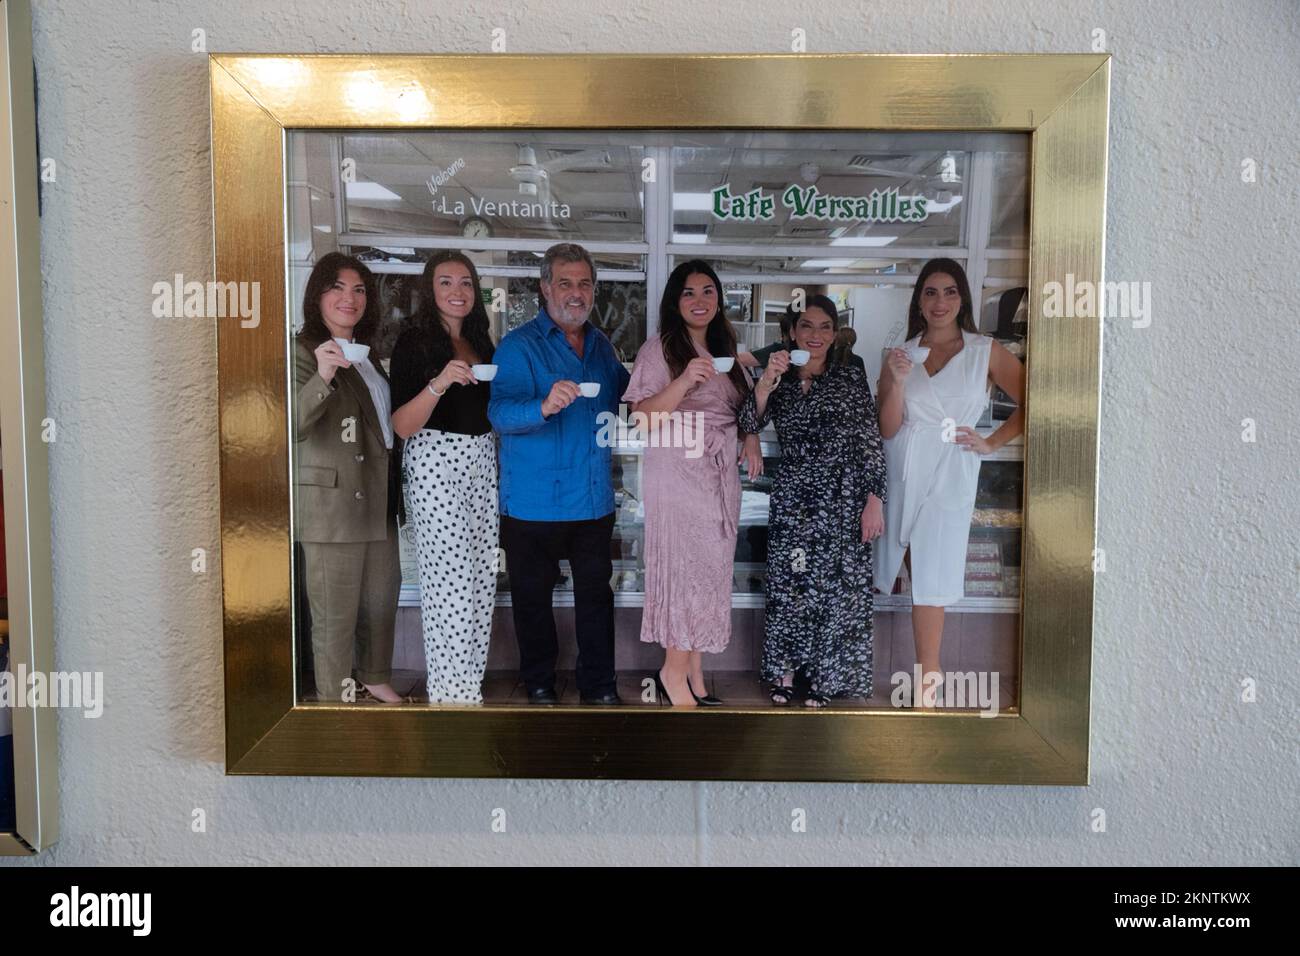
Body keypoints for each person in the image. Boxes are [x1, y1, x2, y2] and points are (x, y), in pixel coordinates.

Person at [873, 258, 1025, 708]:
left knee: (933, 573)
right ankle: (916, 677)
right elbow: (887, 427)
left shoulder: (985, 350)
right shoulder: (900, 354)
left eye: (950, 292)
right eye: (931, 292)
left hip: (951, 469)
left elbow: (1039, 399)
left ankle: (928, 681)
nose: (940, 302)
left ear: (963, 299)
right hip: (903, 465)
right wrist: (898, 382)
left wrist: (992, 442)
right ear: (918, 300)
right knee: (911, 567)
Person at [488, 243, 630, 705]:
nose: (575, 293)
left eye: (584, 284)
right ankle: (540, 682)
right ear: (546, 288)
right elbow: (500, 414)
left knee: (596, 600)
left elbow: (627, 398)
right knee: (533, 602)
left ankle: (600, 685)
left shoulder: (602, 346)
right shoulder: (518, 346)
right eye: (565, 283)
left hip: (591, 499)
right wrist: (544, 405)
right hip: (532, 503)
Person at [623, 260, 763, 707]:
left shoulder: (728, 349)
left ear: (719, 298)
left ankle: (695, 671)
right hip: (679, 473)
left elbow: (743, 414)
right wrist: (684, 380)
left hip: (719, 473)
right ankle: (672, 671)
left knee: (712, 571)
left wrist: (753, 434)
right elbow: (641, 418)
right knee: (687, 572)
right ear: (674, 301)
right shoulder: (660, 348)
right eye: (688, 292)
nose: (699, 301)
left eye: (707, 291)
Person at [738, 295, 887, 706]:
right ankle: (784, 673)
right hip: (794, 496)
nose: (816, 334)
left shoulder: (850, 375)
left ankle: (823, 677)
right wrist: (767, 378)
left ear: (835, 332)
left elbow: (870, 442)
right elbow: (749, 420)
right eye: (807, 326)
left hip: (841, 497)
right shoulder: (780, 375)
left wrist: (874, 499)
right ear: (792, 331)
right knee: (790, 585)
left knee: (833, 588)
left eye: (825, 326)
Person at [293, 252, 403, 704]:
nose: (349, 298)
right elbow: (290, 425)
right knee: (334, 616)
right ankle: (334, 702)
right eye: (337, 287)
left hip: (377, 501)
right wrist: (322, 374)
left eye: (359, 290)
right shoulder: (301, 352)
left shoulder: (368, 356)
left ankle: (374, 677)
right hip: (332, 505)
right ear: (318, 295)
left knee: (380, 600)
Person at [390, 251, 498, 705]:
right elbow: (401, 425)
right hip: (435, 461)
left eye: (466, 283)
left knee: (480, 581)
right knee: (448, 585)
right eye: (446, 282)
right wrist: (438, 383)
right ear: (429, 290)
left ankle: (467, 687)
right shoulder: (413, 343)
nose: (458, 291)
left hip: (481, 461)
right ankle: (449, 693)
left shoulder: (482, 341)